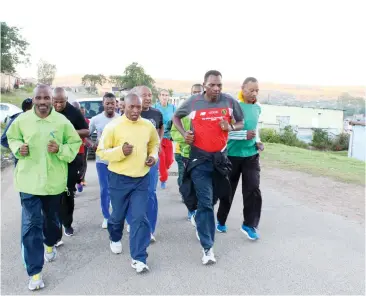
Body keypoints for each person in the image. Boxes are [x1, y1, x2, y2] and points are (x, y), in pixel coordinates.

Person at [6, 84, 81, 290]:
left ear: (51, 99)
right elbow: (11, 138)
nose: (42, 102)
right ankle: (35, 273)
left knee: (51, 224)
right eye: (38, 98)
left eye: (46, 98)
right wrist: (17, 148)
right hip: (28, 183)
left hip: (53, 184)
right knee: (31, 226)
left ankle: (50, 244)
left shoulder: (61, 121)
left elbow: (74, 144)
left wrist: (60, 149)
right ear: (33, 100)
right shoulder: (22, 120)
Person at [173, 70, 244, 265]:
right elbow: (176, 117)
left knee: (213, 199)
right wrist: (185, 134)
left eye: (219, 85)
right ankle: (208, 248)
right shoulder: (193, 102)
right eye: (212, 85)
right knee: (205, 202)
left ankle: (201, 220)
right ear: (204, 85)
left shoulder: (229, 102)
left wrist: (229, 127)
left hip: (220, 159)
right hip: (199, 159)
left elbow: (241, 122)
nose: (216, 88)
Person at [97, 93, 159, 273]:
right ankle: (115, 237)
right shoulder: (113, 126)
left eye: (138, 107)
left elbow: (154, 144)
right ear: (123, 106)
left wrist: (152, 157)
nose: (135, 111)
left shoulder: (147, 126)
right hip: (119, 179)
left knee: (139, 217)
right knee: (117, 216)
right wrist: (120, 151)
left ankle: (139, 258)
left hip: (141, 179)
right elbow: (101, 152)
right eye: (131, 107)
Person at [217, 77, 264, 240]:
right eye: (251, 90)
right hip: (232, 155)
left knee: (253, 189)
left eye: (257, 90)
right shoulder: (232, 106)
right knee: (228, 190)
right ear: (243, 88)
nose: (254, 93)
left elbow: (255, 129)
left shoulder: (258, 107)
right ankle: (220, 220)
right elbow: (224, 130)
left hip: (251, 155)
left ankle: (249, 225)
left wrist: (258, 142)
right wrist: (243, 135)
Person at [126, 86, 163, 242]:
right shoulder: (130, 114)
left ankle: (149, 230)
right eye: (144, 95)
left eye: (149, 95)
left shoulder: (156, 114)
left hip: (151, 160)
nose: (148, 98)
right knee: (131, 194)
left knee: (150, 194)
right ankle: (132, 222)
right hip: (132, 160)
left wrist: (158, 143)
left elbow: (160, 128)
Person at [53, 88, 90, 237]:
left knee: (68, 192)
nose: (58, 105)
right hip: (53, 158)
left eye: (61, 102)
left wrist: (69, 132)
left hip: (71, 158)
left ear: (66, 99)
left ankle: (67, 223)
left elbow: (86, 131)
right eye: (55, 101)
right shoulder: (47, 111)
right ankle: (54, 226)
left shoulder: (74, 112)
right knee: (52, 193)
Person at [89, 92, 120, 229]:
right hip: (101, 160)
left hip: (118, 160)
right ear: (103, 104)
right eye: (107, 103)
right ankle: (107, 216)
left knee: (117, 189)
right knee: (104, 189)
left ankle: (118, 214)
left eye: (112, 103)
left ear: (116, 104)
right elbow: (86, 135)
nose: (110, 106)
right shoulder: (95, 120)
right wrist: (92, 144)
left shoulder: (121, 119)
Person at [171, 84, 204, 209]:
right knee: (183, 178)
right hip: (182, 152)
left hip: (201, 154)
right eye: (194, 92)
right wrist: (186, 137)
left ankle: (194, 204)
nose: (196, 95)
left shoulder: (207, 110)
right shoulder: (183, 111)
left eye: (199, 92)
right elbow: (174, 132)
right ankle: (187, 198)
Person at [154, 89, 176, 189]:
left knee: (169, 160)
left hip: (169, 137)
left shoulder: (173, 108)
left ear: (169, 97)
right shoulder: (155, 107)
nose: (164, 97)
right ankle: (163, 179)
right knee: (162, 159)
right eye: (162, 95)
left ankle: (163, 170)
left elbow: (177, 120)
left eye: (166, 95)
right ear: (159, 96)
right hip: (158, 138)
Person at [1, 98, 33, 166]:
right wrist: (18, 148)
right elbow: (3, 140)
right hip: (21, 160)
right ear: (27, 110)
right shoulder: (16, 120)